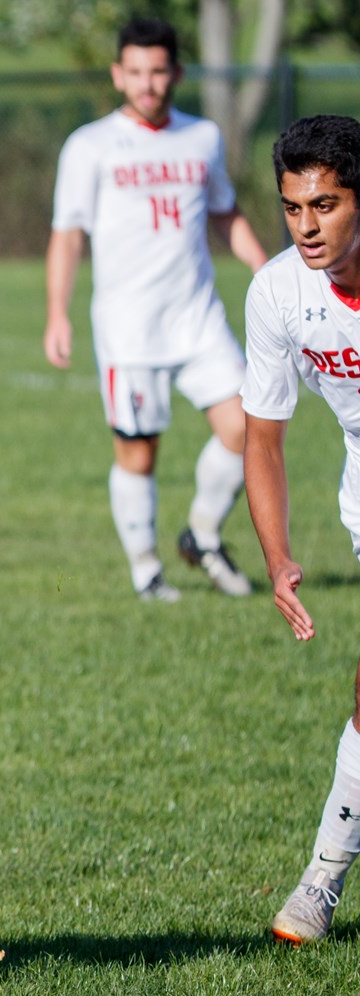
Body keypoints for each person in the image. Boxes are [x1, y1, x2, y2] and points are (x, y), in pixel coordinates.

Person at [44, 17, 268, 601]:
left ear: (177, 73)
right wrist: (58, 313)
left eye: (159, 70)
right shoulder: (89, 145)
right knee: (139, 452)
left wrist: (266, 269)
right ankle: (146, 569)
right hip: (129, 330)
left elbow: (225, 211)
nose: (148, 84)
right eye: (136, 72)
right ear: (119, 74)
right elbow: (68, 235)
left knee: (250, 428)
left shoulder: (202, 137)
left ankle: (200, 534)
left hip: (198, 318)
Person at [243, 114, 360, 945]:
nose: (307, 226)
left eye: (326, 205)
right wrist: (278, 556)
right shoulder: (279, 292)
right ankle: (326, 872)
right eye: (293, 208)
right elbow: (264, 437)